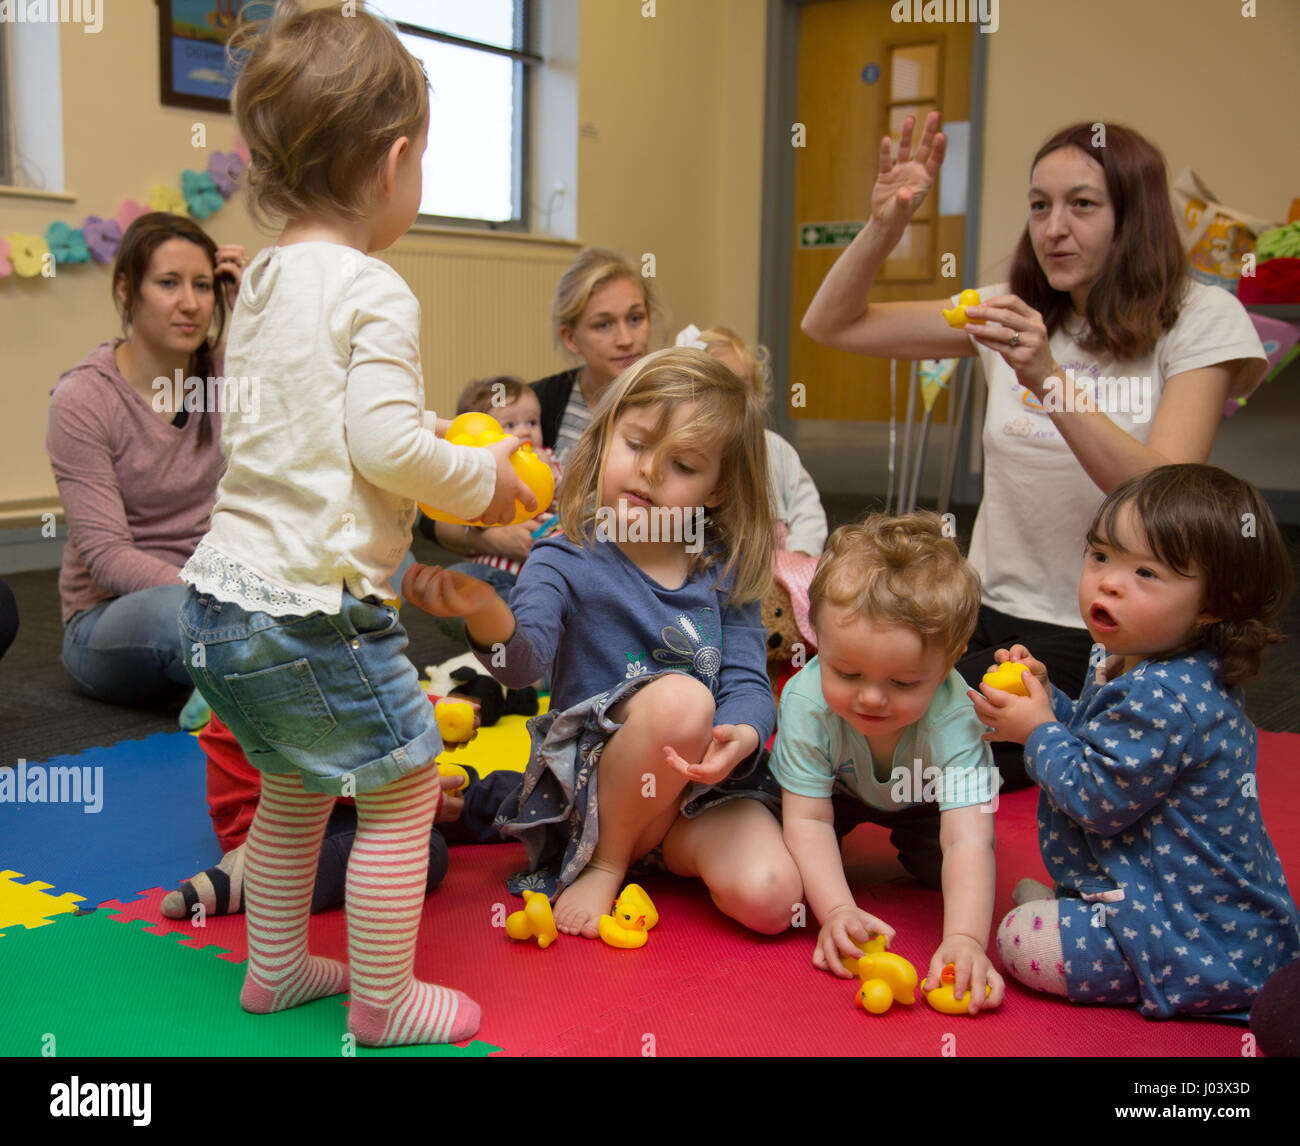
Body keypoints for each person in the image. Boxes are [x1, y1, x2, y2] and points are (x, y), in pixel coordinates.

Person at [177, 2, 535, 1048]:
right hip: (309, 612)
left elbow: (318, 423)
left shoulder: (269, 281)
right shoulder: (374, 287)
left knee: (293, 783)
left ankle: (276, 969)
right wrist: (480, 473)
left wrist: (420, 430)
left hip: (220, 603)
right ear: (392, 161)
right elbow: (383, 455)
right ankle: (384, 1004)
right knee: (402, 787)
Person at [801, 115, 1268, 791]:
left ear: (1132, 215)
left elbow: (1163, 500)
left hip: (1105, 632)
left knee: (932, 758)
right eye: (1040, 205)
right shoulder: (1010, 307)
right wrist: (887, 224)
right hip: (980, 612)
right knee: (849, 723)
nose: (1054, 228)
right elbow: (832, 323)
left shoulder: (1202, 318)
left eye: (1082, 205)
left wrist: (1049, 377)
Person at [404, 347, 804, 939]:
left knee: (773, 899)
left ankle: (656, 854)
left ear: (718, 489)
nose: (648, 472)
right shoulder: (564, 555)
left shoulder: (723, 568)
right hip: (593, 796)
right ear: (607, 437)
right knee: (683, 700)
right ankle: (604, 861)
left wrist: (742, 733)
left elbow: (747, 680)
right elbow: (521, 667)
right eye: (637, 445)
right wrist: (487, 611)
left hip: (693, 796)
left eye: (684, 465)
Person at [971, 464, 1299, 1018]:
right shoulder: (1134, 655)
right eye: (1101, 556)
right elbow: (1103, 740)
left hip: (1192, 930)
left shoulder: (1168, 698)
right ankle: (1082, 911)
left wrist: (1037, 730)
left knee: (1016, 941)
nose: (1110, 582)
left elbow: (1096, 798)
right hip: (1166, 891)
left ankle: (1091, 929)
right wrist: (1048, 699)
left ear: (1216, 603)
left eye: (1146, 573)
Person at [772, 514, 1003, 1011]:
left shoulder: (955, 714)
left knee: (946, 868)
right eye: (847, 672)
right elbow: (808, 819)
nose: (872, 698)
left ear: (950, 662)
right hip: (834, 792)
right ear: (817, 638)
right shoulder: (806, 703)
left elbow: (968, 834)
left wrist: (966, 939)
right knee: (790, 876)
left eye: (902, 684)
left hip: (922, 797)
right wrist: (835, 910)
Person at [45, 213, 245, 709]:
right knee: (181, 614)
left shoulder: (227, 370)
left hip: (223, 593)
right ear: (126, 292)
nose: (191, 303)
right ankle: (246, 675)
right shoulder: (84, 398)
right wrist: (222, 600)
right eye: (168, 283)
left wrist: (249, 310)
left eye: (203, 285)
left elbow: (304, 416)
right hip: (114, 616)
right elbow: (108, 558)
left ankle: (229, 679)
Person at [421, 376, 562, 611]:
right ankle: (504, 616)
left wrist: (545, 469)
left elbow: (568, 494)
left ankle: (526, 614)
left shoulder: (547, 457)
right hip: (494, 569)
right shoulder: (477, 468)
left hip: (541, 569)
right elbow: (458, 511)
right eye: (509, 426)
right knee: (459, 577)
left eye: (532, 422)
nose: (525, 432)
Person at [696, 324, 828, 556]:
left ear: (757, 391)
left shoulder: (775, 449)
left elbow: (807, 509)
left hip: (782, 561)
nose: (734, 400)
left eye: (743, 387)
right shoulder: (694, 457)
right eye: (720, 389)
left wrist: (801, 552)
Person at [531, 247, 656, 465]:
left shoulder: (676, 403)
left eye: (635, 318)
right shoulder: (537, 404)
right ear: (571, 338)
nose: (625, 340)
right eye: (603, 325)